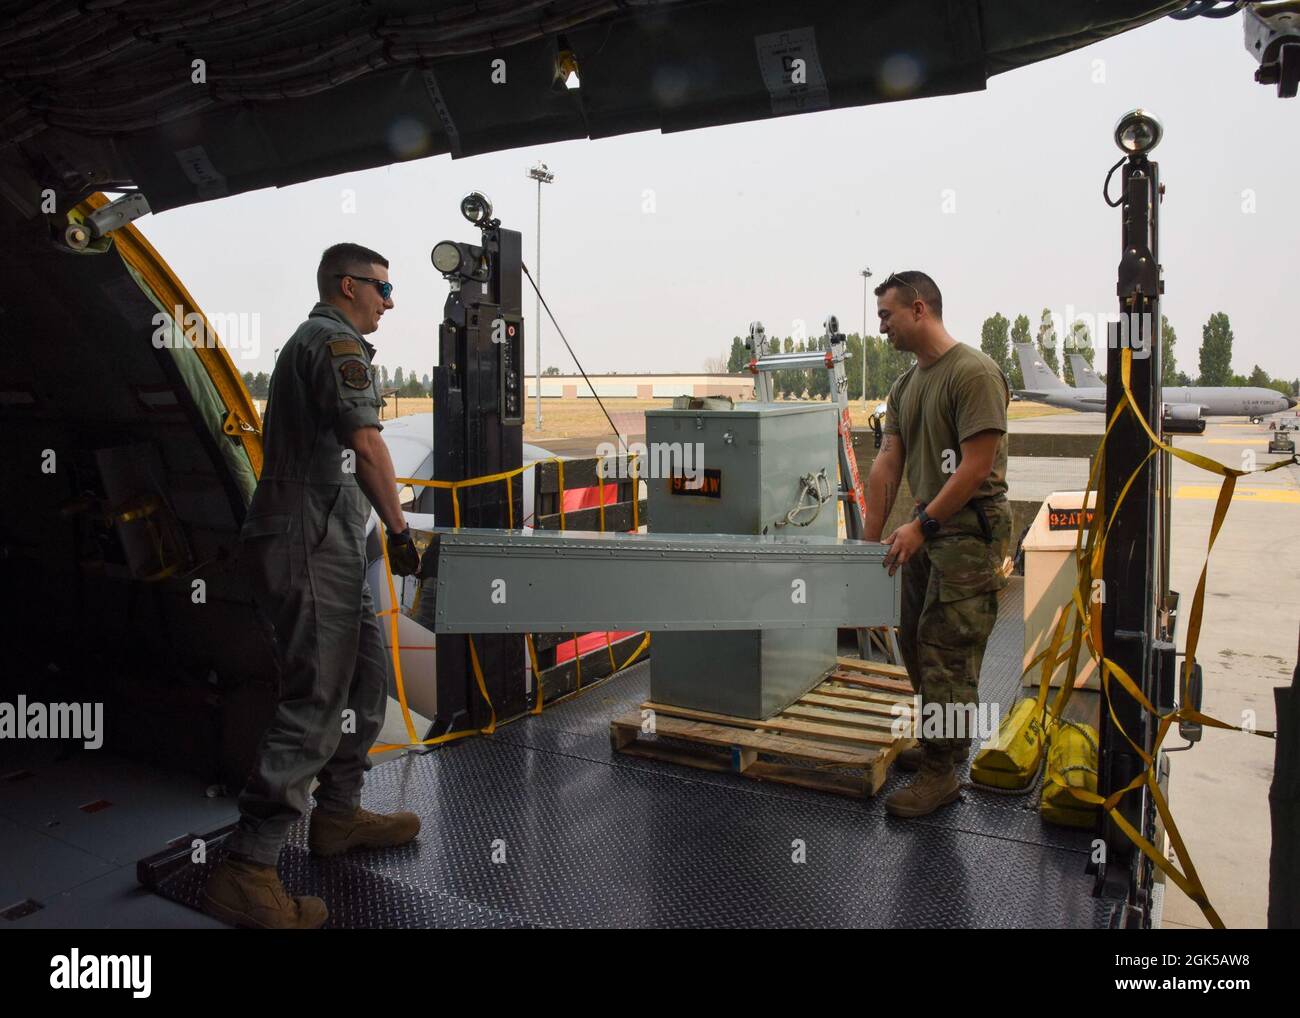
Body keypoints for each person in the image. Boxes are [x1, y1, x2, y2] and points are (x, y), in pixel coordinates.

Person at [203, 243, 423, 928]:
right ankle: (248, 867)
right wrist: (401, 529)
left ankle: (337, 816)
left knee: (364, 681)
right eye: (384, 288)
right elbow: (367, 445)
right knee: (318, 699)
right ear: (347, 285)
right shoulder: (334, 343)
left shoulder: (324, 342)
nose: (390, 301)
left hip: (329, 540)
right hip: (308, 543)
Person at [862, 271, 1012, 819]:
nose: (882, 328)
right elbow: (888, 463)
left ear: (919, 309)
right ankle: (937, 742)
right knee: (916, 643)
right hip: (928, 530)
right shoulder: (906, 386)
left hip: (969, 533)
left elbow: (975, 468)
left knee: (949, 654)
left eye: (887, 317)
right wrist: (866, 543)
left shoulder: (973, 373)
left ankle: (943, 772)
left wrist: (920, 525)